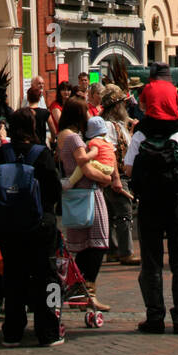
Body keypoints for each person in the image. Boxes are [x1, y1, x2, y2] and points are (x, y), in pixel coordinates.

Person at [124, 106, 178, 333]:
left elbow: (128, 170)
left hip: (149, 203)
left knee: (151, 261)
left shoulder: (140, 135)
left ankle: (155, 316)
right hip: (177, 203)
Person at [0, 107, 62, 347]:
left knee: (13, 278)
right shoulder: (42, 154)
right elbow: (53, 190)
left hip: (10, 227)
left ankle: (12, 331)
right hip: (40, 226)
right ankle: (49, 330)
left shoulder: (2, 154)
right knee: (48, 277)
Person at [56, 98, 111, 312]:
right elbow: (85, 168)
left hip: (76, 194)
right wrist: (105, 178)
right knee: (97, 244)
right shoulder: (74, 139)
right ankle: (86, 290)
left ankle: (81, 290)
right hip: (88, 192)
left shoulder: (63, 137)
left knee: (84, 245)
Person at [100, 85, 137, 264]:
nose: (125, 107)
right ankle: (125, 252)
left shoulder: (118, 125)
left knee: (114, 214)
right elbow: (110, 153)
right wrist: (115, 177)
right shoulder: (108, 126)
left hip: (120, 175)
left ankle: (114, 250)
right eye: (122, 104)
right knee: (124, 213)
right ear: (116, 107)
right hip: (117, 175)